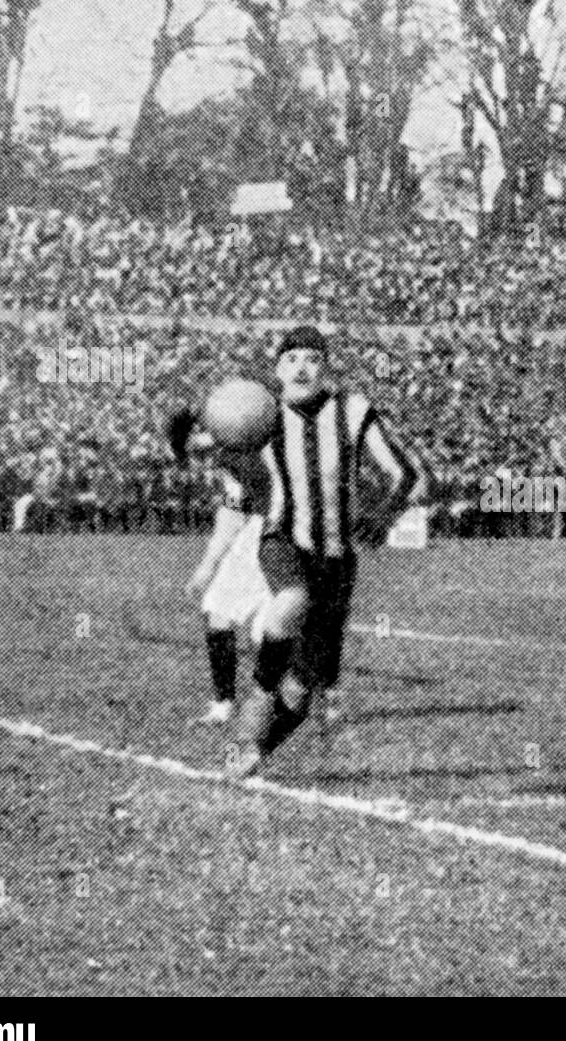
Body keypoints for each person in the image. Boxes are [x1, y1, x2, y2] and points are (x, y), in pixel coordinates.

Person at [231, 326, 423, 778]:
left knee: (300, 693)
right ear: (278, 370)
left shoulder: (352, 411)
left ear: (326, 368)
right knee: (290, 602)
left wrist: (381, 517)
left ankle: (251, 749)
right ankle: (259, 693)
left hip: (336, 561)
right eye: (292, 358)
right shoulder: (263, 415)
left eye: (312, 358)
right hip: (284, 539)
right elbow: (229, 453)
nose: (302, 366)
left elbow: (405, 473)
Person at [168, 406, 273, 726]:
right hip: (279, 527)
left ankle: (227, 705)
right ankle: (243, 703)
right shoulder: (240, 446)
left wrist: (206, 567)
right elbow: (233, 510)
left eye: (198, 451)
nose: (201, 460)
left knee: (223, 612)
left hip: (269, 527)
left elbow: (233, 514)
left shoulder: (236, 449)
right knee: (262, 627)